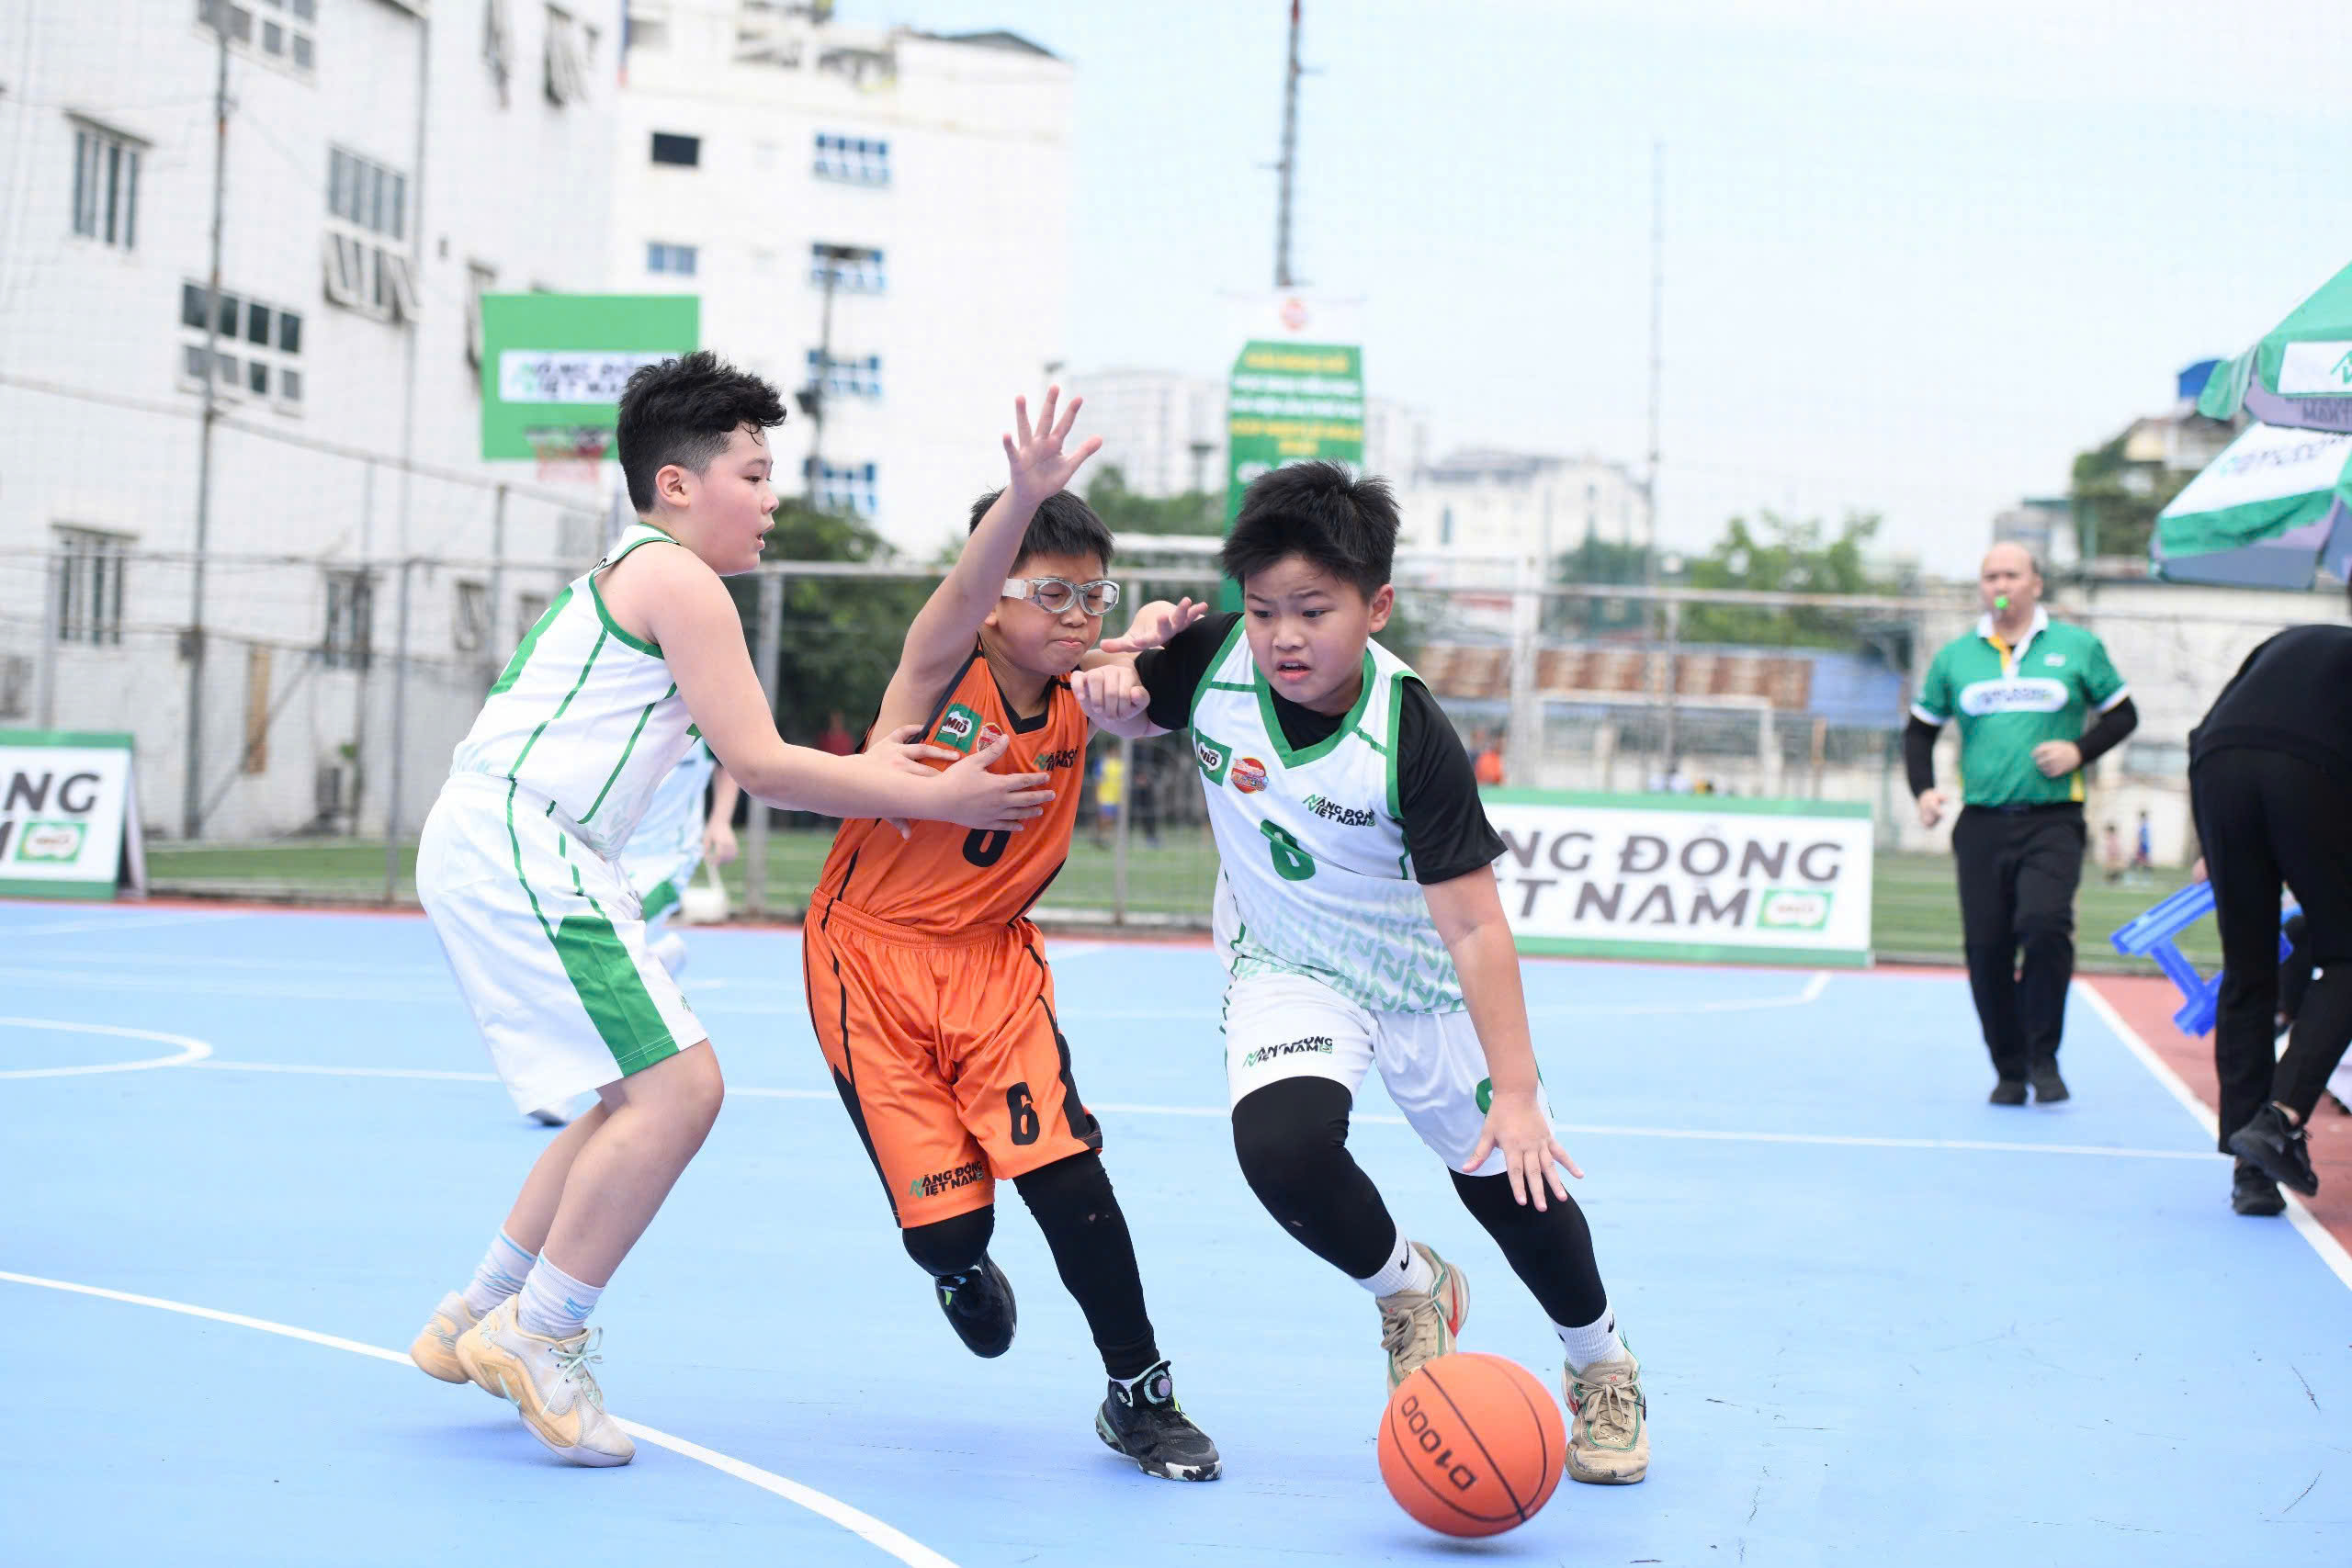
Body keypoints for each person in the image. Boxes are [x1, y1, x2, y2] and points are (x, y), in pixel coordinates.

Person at [403, 353, 1052, 1467]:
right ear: (675, 485)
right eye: (753, 473)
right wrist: (929, 791)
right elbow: (763, 768)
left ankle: (478, 1312)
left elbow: (768, 755)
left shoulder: (644, 573)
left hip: (517, 842)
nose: (771, 497)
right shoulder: (679, 580)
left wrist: (886, 769)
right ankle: (541, 1331)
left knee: (628, 1102)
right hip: (525, 843)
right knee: (682, 1091)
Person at [1073, 460, 1649, 1486]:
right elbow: (1117, 709)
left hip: (1420, 978)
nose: (1285, 636)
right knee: (1281, 1148)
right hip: (1287, 962)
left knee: (1511, 1184)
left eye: (1313, 610)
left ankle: (1599, 1362)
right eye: (1262, 611)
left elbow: (1473, 926)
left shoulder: (1409, 733)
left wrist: (1516, 1096)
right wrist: (1112, 676)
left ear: (1374, 606)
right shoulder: (1209, 662)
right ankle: (1407, 1288)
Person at [800, 388, 1222, 1482]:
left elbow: (1134, 694)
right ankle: (953, 1267)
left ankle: (1141, 1394)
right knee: (950, 1234)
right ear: (995, 600)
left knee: (1069, 1177)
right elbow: (956, 601)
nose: (1078, 614)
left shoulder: (1083, 691)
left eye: (1095, 595)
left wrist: (1159, 649)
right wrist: (1025, 495)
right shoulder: (942, 668)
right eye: (1052, 594)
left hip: (992, 966)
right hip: (871, 962)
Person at [1906, 544, 2137, 1106]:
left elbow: (2123, 714)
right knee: (1986, 948)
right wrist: (1924, 791)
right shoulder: (1957, 656)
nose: (1999, 583)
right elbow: (1919, 731)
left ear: (2036, 582)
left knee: (2044, 927)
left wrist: (2080, 751)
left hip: (2052, 821)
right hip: (1981, 824)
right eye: (1989, 576)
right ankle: (2009, 1069)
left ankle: (2044, 1057)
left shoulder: (2076, 647)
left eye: (2011, 573)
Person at [2186, 623, 2352, 1214]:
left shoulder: (2295, 642)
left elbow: (2206, 731)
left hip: (2218, 763)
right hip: (2308, 769)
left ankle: (2249, 1172)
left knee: (2248, 966)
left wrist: (2213, 838)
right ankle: (2279, 1118)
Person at [2100, 821, 2126, 886]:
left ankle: (2114, 879)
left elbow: (2115, 849)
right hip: (2113, 857)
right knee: (2111, 869)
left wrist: (2114, 857)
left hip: (2114, 857)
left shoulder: (2113, 839)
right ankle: (2113, 879)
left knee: (2113, 869)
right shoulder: (2111, 838)